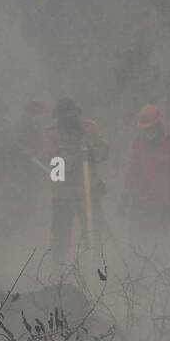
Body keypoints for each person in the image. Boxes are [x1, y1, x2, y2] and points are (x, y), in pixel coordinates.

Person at [43, 98, 107, 266]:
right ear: (58, 117)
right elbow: (57, 171)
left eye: (72, 113)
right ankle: (57, 273)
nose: (70, 118)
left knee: (93, 234)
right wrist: (76, 158)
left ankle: (95, 268)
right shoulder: (51, 135)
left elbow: (104, 150)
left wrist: (94, 151)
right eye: (65, 115)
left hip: (90, 191)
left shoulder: (89, 129)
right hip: (63, 196)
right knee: (61, 237)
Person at [120, 104, 170, 256]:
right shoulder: (138, 145)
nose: (148, 132)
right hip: (140, 203)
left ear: (158, 126)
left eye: (151, 128)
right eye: (145, 129)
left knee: (160, 245)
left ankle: (159, 275)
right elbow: (132, 171)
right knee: (137, 243)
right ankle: (136, 274)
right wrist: (125, 196)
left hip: (162, 206)